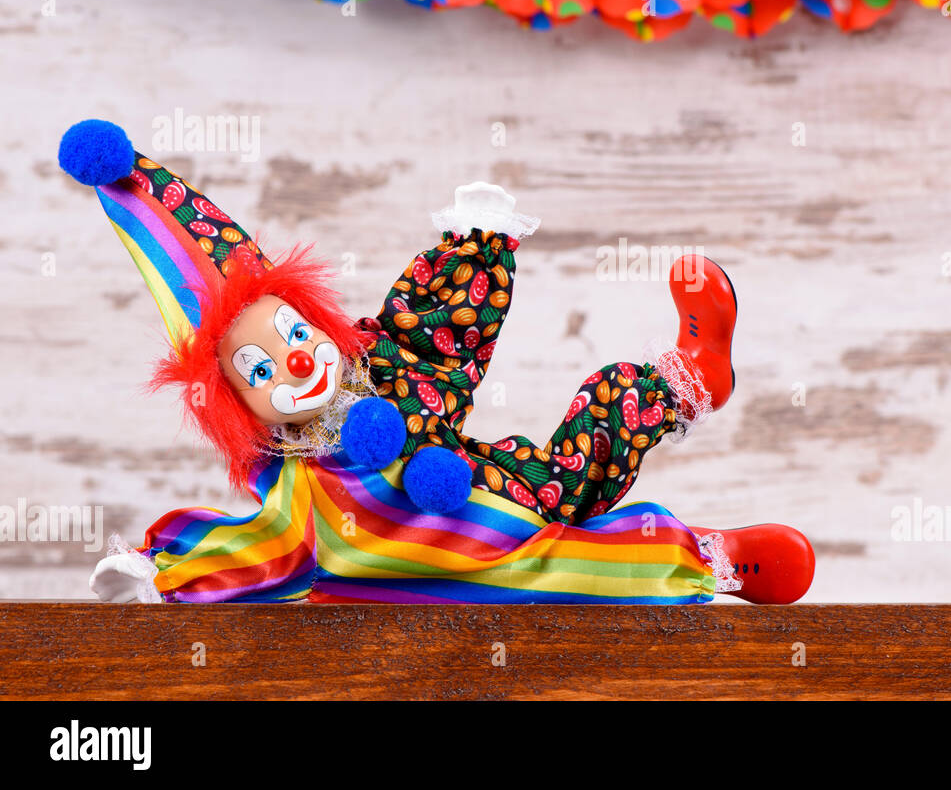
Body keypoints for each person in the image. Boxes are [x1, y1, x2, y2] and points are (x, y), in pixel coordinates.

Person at [60, 119, 815, 605]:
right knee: (606, 566)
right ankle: (719, 559)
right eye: (259, 372)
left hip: (519, 485)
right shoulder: (302, 490)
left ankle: (688, 380)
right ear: (238, 411)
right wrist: (162, 572)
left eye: (292, 335)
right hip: (483, 574)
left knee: (597, 422)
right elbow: (257, 549)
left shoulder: (381, 365)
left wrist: (476, 244)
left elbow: (438, 333)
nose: (292, 363)